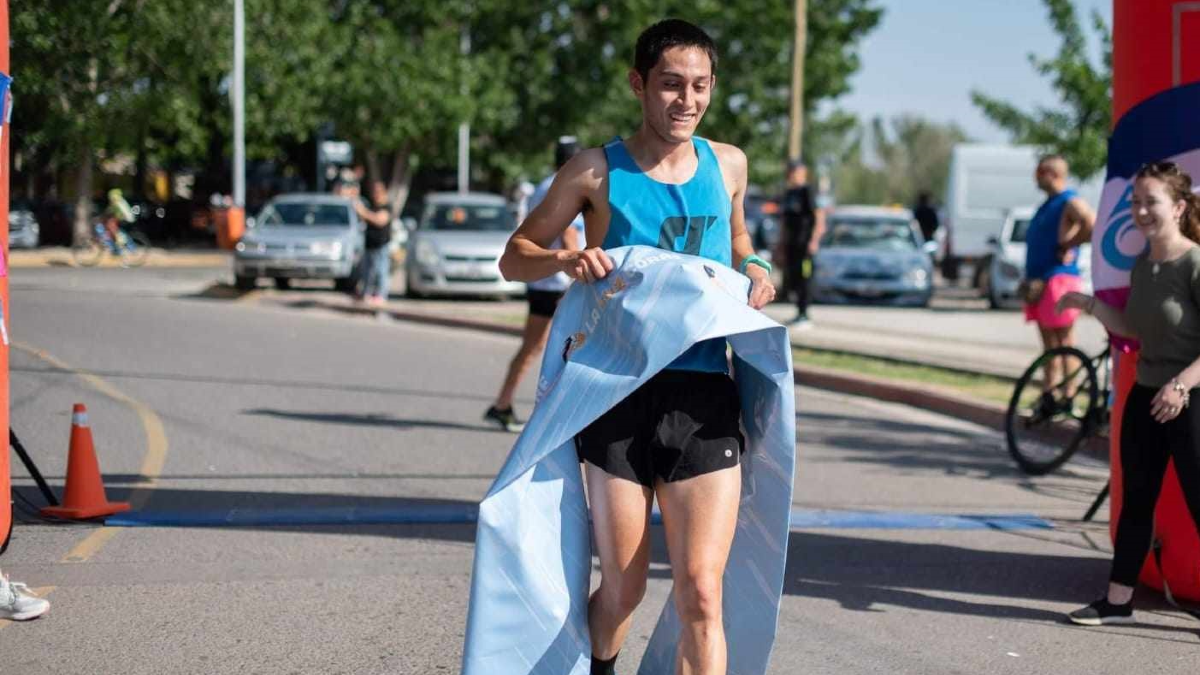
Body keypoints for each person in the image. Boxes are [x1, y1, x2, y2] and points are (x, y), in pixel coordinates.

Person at [498, 19, 775, 675]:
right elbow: (515, 257)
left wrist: (759, 268)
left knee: (702, 592)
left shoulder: (727, 163)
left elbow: (737, 243)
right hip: (616, 391)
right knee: (624, 588)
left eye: (700, 86)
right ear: (638, 84)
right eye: (671, 84)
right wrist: (567, 256)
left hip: (706, 392)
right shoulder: (596, 169)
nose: (687, 100)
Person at [1057, 161, 1200, 625]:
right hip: (1145, 396)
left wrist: (1182, 386)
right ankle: (1118, 601)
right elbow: (1134, 330)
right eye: (1135, 202)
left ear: (1178, 207)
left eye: (1150, 201)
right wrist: (1092, 305)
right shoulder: (1145, 265)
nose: (1140, 211)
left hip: (1190, 398)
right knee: (1137, 500)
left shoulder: (1195, 262)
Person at [484, 137, 585, 432]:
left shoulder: (544, 184)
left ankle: (503, 403)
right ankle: (517, 408)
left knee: (538, 346)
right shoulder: (565, 185)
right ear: (572, 160)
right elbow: (568, 236)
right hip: (556, 281)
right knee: (560, 348)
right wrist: (576, 277)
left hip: (545, 279)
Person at [1024, 155, 1096, 413]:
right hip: (1040, 280)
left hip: (1058, 279)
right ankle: (1049, 395)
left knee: (1064, 342)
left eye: (1039, 171)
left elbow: (1091, 222)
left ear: (1050, 173)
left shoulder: (1068, 200)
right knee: (1049, 345)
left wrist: (1069, 244)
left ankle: (1068, 396)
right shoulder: (1049, 204)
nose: (1035, 177)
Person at [780, 159, 824, 327]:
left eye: (795, 172)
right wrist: (781, 243)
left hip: (805, 245)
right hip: (792, 244)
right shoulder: (790, 193)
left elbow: (819, 217)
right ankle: (798, 311)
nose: (792, 175)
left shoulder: (808, 191)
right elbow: (784, 221)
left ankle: (805, 313)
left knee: (805, 278)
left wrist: (814, 240)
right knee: (794, 278)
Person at [355, 180, 393, 305]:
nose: (375, 194)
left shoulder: (386, 206)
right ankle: (366, 294)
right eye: (374, 191)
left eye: (378, 191)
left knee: (381, 271)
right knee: (367, 272)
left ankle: (381, 295)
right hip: (369, 244)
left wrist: (364, 212)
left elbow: (379, 220)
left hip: (380, 245)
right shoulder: (372, 206)